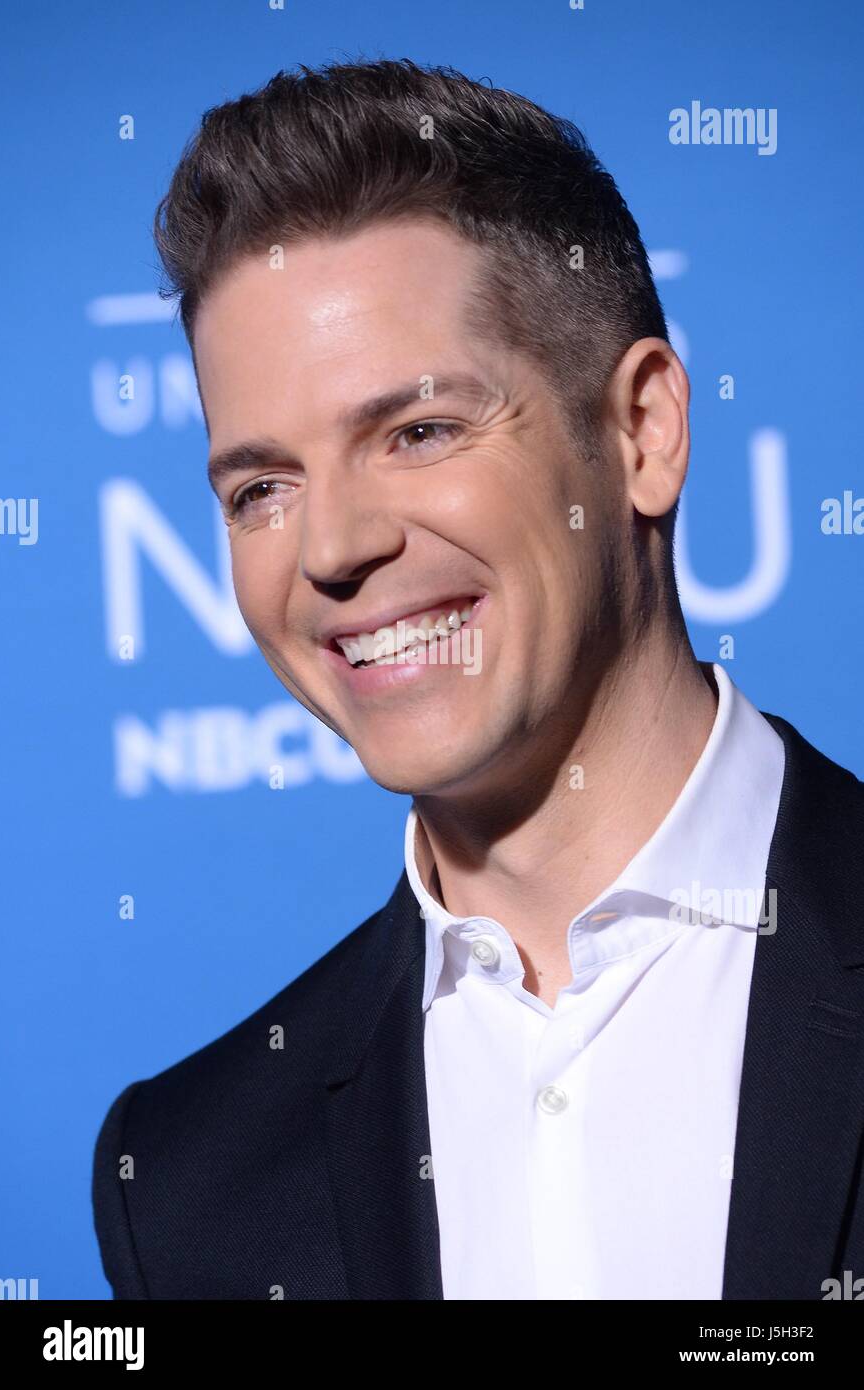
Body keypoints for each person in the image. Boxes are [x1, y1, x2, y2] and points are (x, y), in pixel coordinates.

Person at [92, 58, 864, 1301]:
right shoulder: (188, 1179)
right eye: (261, 489)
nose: (332, 547)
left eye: (418, 432)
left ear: (641, 432)